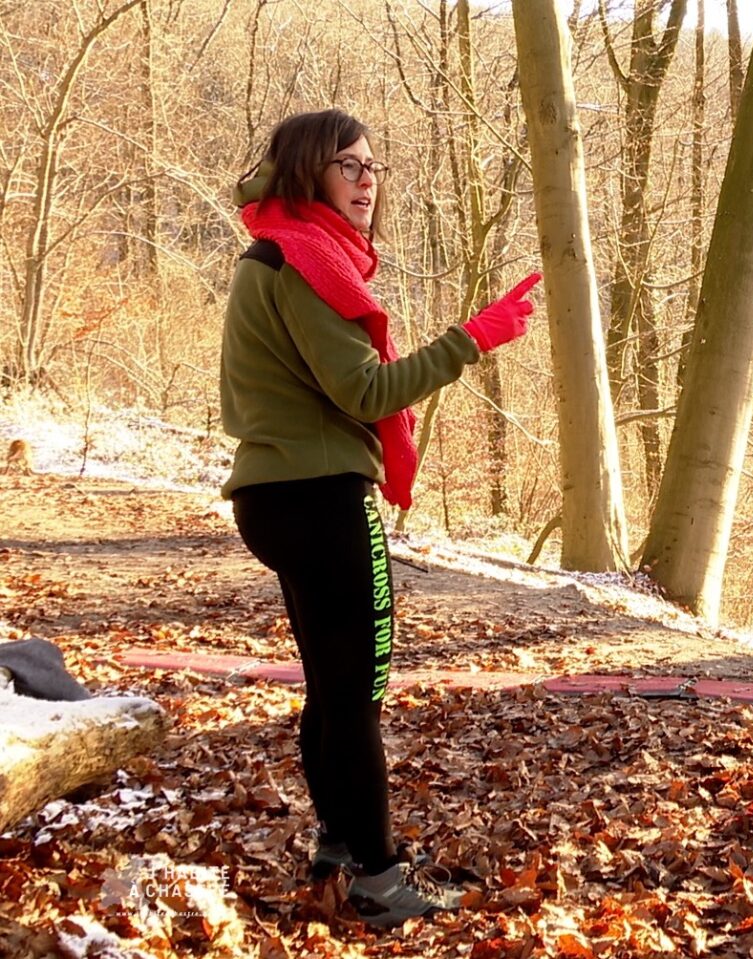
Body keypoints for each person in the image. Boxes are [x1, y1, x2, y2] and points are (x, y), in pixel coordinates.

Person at [220, 109, 540, 926]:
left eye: (373, 164)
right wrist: (475, 335)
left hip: (276, 492)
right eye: (347, 166)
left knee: (331, 691)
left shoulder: (278, 250)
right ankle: (378, 876)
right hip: (322, 495)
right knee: (355, 692)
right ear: (307, 173)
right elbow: (366, 390)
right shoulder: (303, 261)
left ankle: (342, 842)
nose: (368, 181)